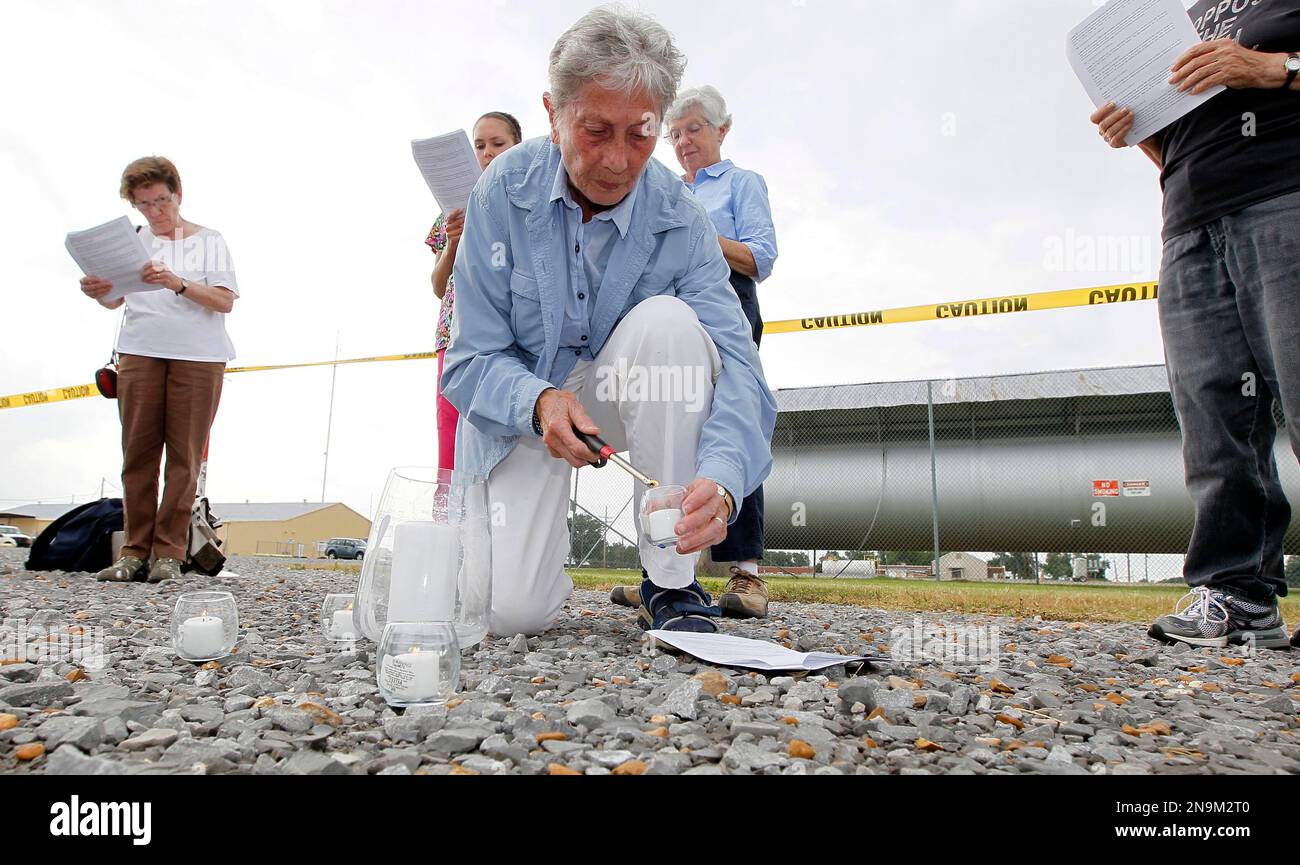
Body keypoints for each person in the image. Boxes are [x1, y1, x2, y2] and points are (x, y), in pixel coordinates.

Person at [442, 5, 776, 635]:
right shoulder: (500, 191)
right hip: (524, 411)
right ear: (551, 112)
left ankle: (670, 581)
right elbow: (470, 359)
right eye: (596, 130)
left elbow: (739, 364)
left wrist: (726, 480)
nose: (620, 161)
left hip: (620, 395)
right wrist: (539, 401)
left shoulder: (681, 215)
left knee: (672, 326)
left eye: (642, 134)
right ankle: (519, 564)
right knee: (510, 611)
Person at [1091, 0, 1300, 649]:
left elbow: (1267, 74)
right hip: (1190, 220)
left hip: (1284, 195)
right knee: (1213, 420)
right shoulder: (1188, 18)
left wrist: (1275, 68)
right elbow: (1180, 139)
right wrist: (1139, 132)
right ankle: (1237, 594)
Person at [610, 84, 779, 618]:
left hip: (727, 299)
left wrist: (697, 231)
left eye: (694, 130)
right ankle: (662, 569)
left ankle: (745, 573)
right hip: (668, 303)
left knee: (730, 416)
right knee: (662, 411)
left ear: (721, 130)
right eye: (674, 134)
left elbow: (760, 256)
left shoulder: (742, 184)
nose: (682, 142)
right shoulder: (657, 191)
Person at [79, 157, 239, 583]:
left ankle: (168, 553)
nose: (154, 212)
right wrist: (99, 292)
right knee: (138, 454)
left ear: (178, 193)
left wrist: (178, 283)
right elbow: (116, 299)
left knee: (183, 457)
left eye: (161, 201)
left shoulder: (210, 241)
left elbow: (224, 301)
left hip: (198, 356)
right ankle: (133, 552)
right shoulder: (132, 241)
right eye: (144, 204)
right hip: (139, 351)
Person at [428, 112, 523, 470]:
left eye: (498, 144)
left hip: (506, 330)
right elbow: (439, 287)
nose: (487, 153)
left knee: (498, 426)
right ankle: (449, 515)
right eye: (479, 146)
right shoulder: (449, 214)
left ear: (517, 146)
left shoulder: (524, 205)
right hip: (454, 334)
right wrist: (454, 243)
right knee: (450, 428)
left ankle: (499, 515)